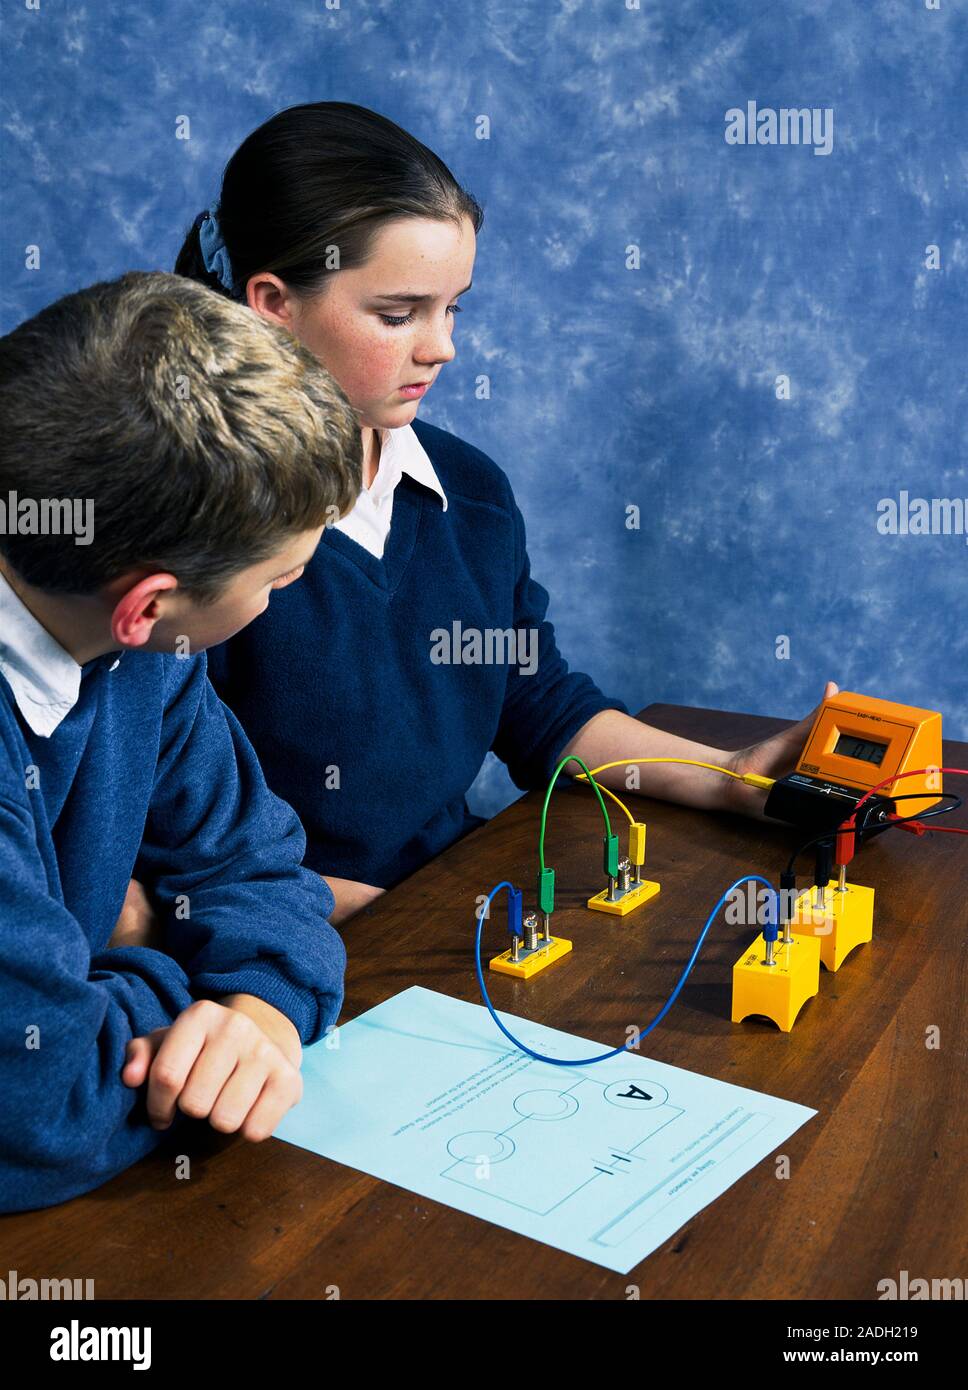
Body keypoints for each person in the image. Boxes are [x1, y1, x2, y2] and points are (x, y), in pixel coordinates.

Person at [174, 101, 838, 925]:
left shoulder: (469, 489)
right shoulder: (195, 543)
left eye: (454, 308)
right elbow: (164, 857)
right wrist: (404, 926)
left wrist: (736, 776)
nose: (442, 346)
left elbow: (537, 706)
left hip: (457, 915)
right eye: (398, 314)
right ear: (273, 302)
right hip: (284, 956)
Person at [0, 270, 361, 1212]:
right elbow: (40, 1111)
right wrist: (170, 961)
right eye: (278, 580)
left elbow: (262, 869)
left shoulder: (147, 652)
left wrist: (259, 1011)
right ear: (148, 606)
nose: (281, 599)